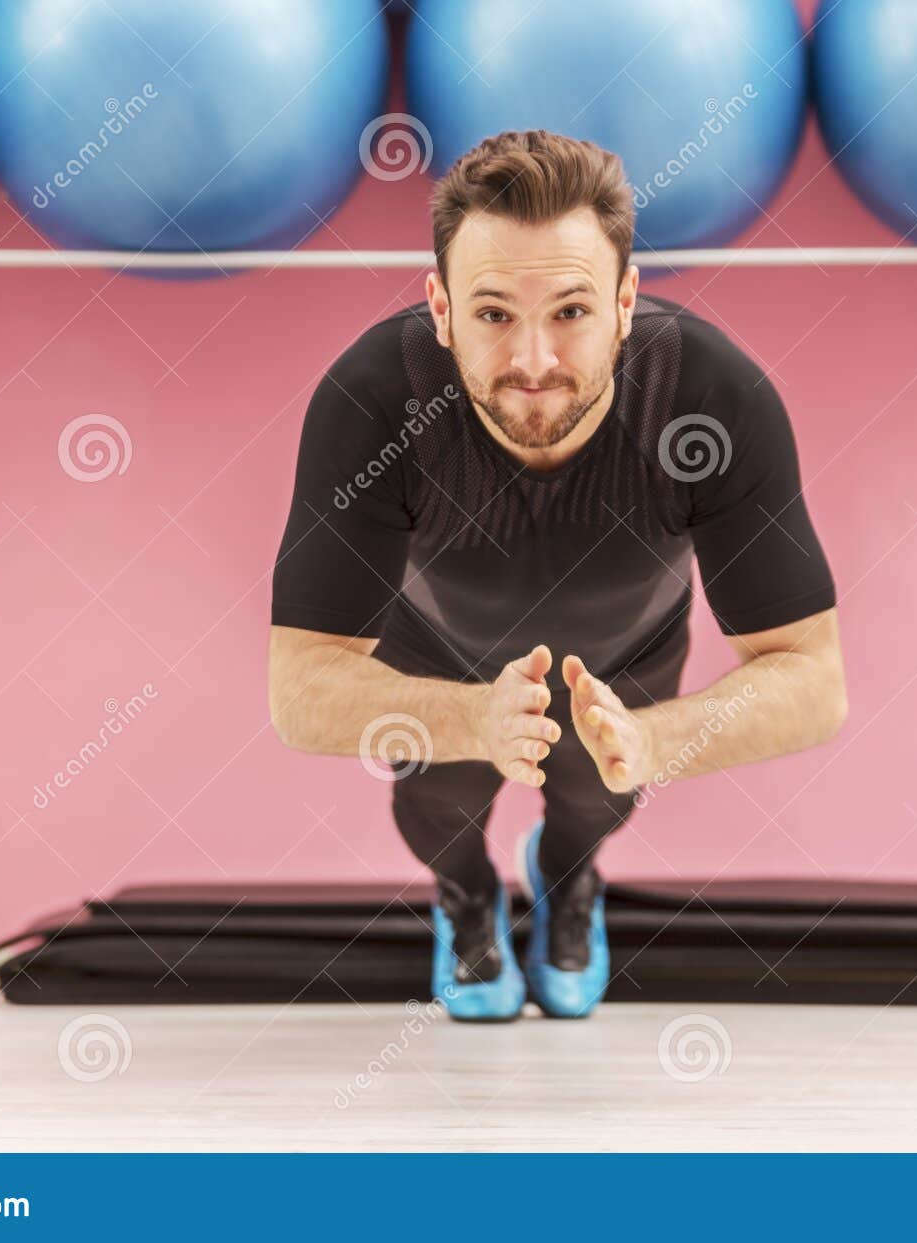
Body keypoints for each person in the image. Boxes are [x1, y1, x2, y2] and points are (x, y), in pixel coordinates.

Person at [269, 129, 847, 1021]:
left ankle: (567, 880)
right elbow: (299, 686)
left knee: (596, 800)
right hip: (437, 655)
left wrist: (656, 740)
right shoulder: (371, 400)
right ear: (440, 307)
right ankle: (466, 896)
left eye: (570, 312)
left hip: (631, 652)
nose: (534, 362)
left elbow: (816, 679)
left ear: (624, 304)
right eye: (495, 313)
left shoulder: (713, 399)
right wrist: (472, 718)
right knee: (439, 810)